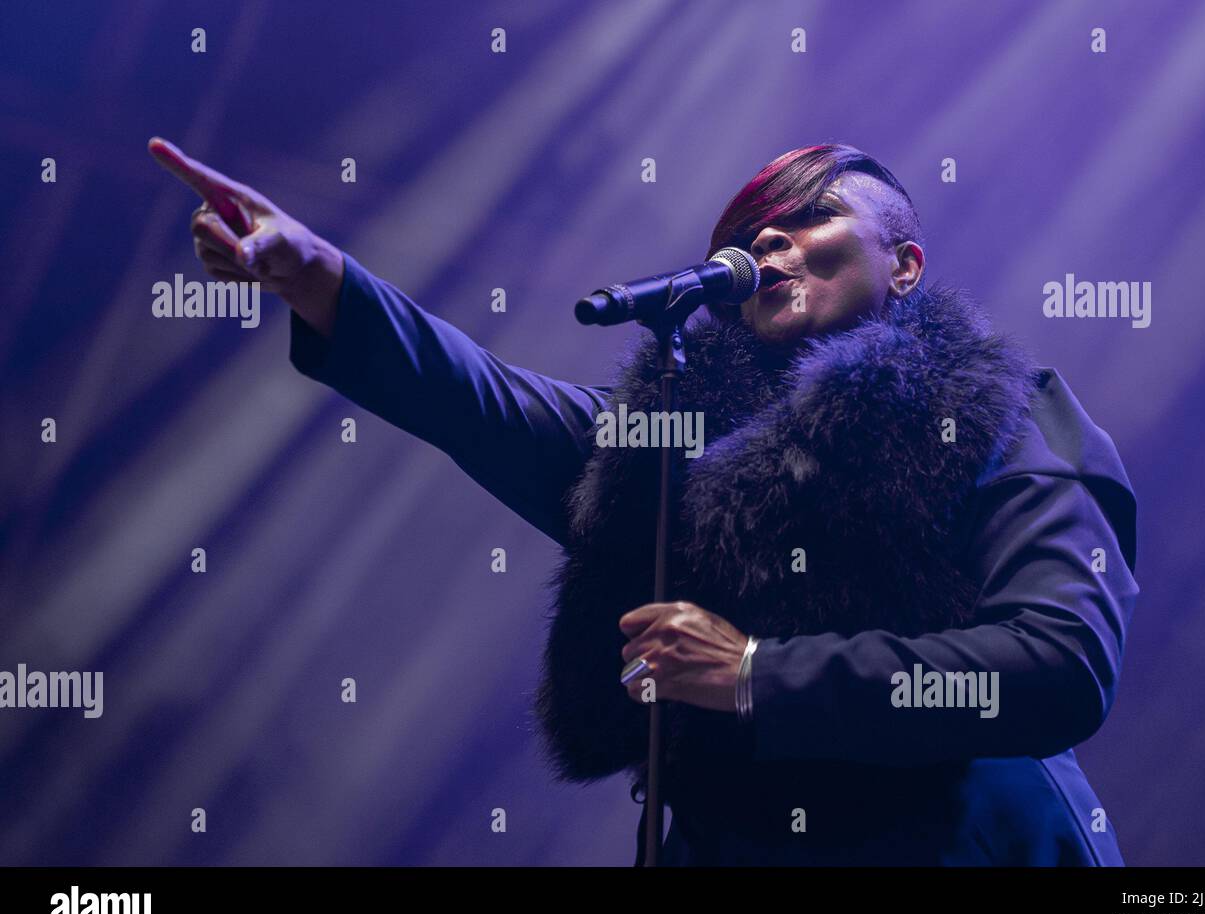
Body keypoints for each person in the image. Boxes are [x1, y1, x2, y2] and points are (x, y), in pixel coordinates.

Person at [152, 138, 1139, 866]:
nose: (772, 240)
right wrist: (320, 275)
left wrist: (760, 672)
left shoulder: (996, 412)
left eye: (809, 219)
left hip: (968, 841)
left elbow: (1058, 662)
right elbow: (481, 400)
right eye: (756, 231)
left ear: (905, 265)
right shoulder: (670, 446)